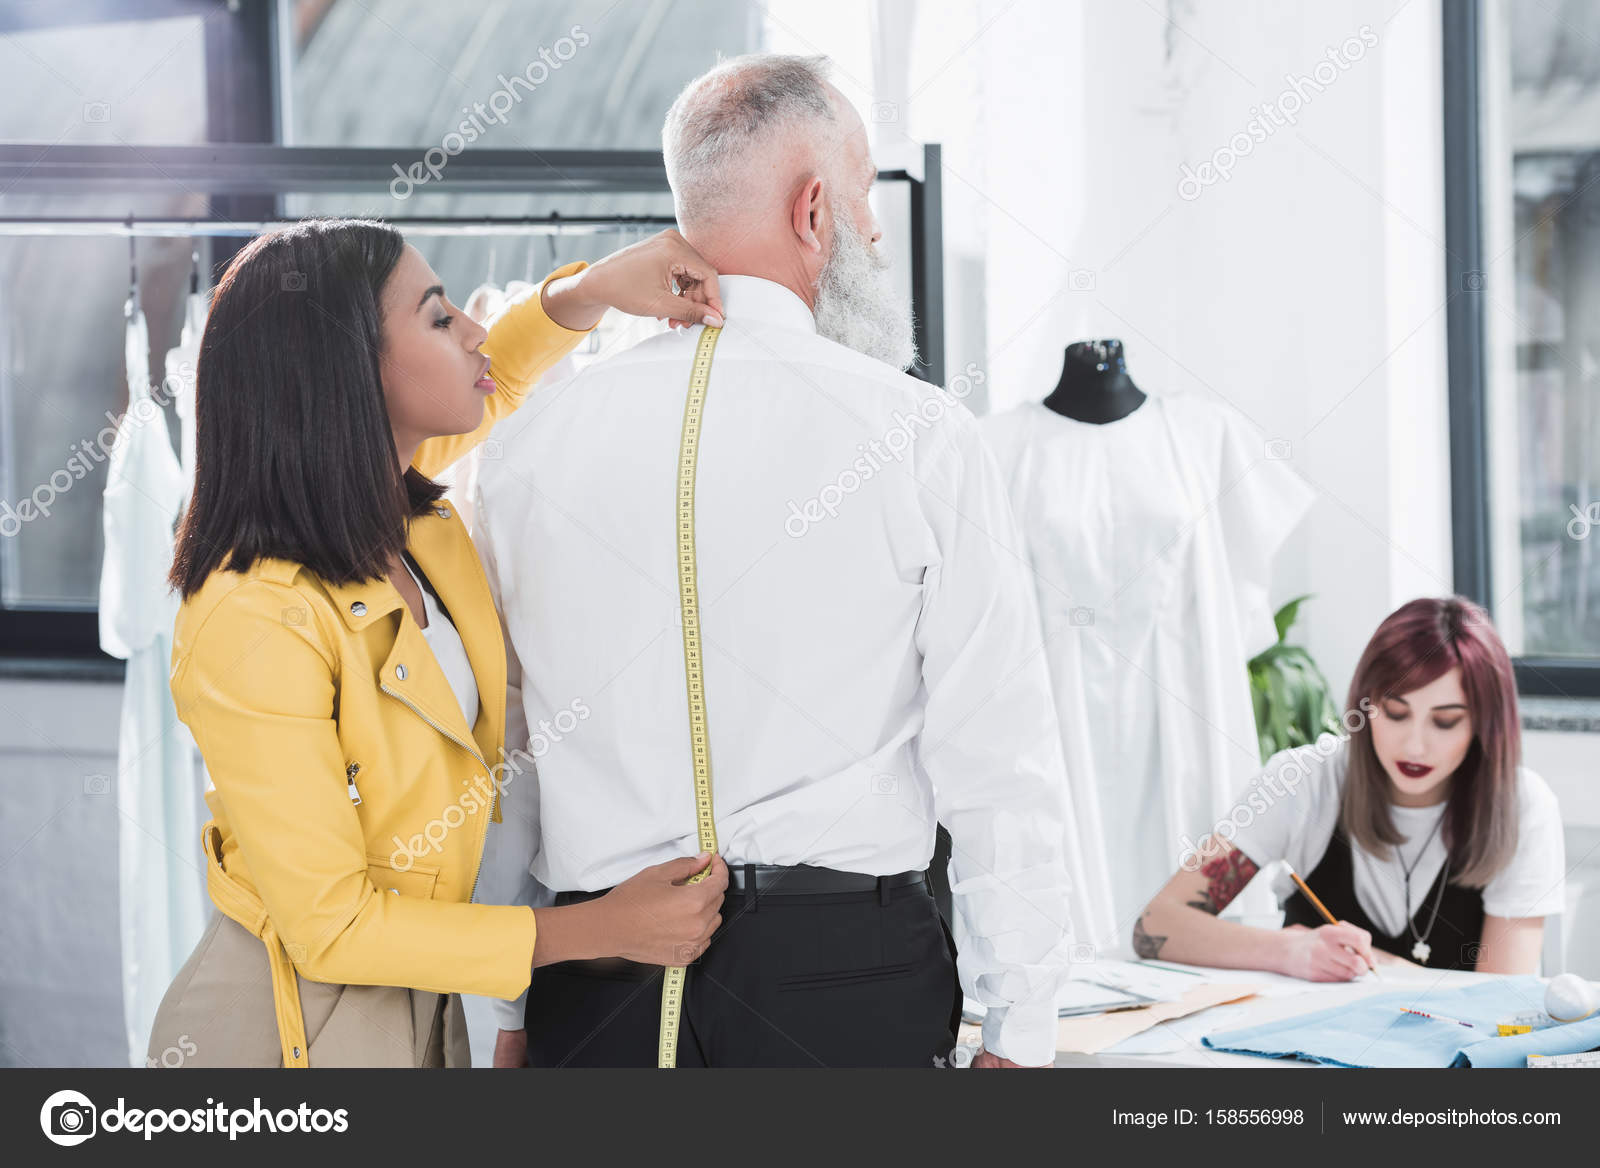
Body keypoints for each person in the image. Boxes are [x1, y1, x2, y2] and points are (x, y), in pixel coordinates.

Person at [473, 53, 1075, 1070]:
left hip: (598, 976)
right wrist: (1022, 1026)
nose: (875, 234)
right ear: (812, 211)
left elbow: (506, 758)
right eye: (863, 201)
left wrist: (501, 1013)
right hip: (844, 976)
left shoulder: (531, 443)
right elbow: (996, 756)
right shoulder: (919, 436)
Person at [147, 218, 731, 1067]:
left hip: (419, 1005)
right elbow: (334, 927)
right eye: (437, 316)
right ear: (348, 372)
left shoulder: (405, 520)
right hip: (283, 1031)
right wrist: (596, 931)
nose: (474, 331)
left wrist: (590, 290)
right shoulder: (253, 618)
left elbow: (505, 374)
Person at [1134, 596, 1565, 979]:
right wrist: (1289, 950)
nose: (1415, 744)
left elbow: (1501, 1002)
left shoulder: (1522, 807)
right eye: (1395, 712)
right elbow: (1157, 925)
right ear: (1366, 703)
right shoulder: (1302, 781)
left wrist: (1387, 966)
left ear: (1483, 725)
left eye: (1446, 721)